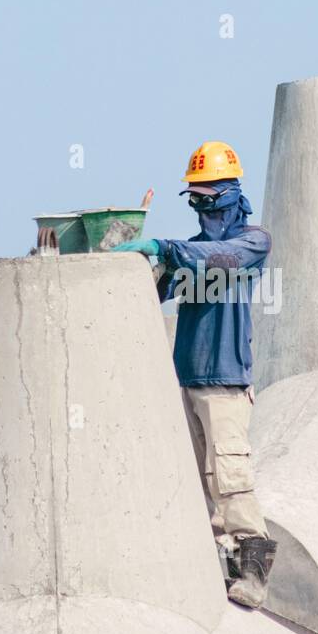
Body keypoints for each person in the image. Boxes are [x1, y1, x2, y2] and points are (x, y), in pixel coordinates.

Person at [114, 141, 277, 609]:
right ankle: (217, 563)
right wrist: (132, 256)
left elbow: (217, 258)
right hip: (186, 378)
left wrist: (164, 247)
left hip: (226, 381)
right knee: (195, 479)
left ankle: (254, 565)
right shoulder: (189, 254)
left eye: (210, 197)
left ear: (231, 194)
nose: (204, 207)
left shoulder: (250, 243)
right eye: (196, 199)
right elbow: (149, 293)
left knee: (229, 474)